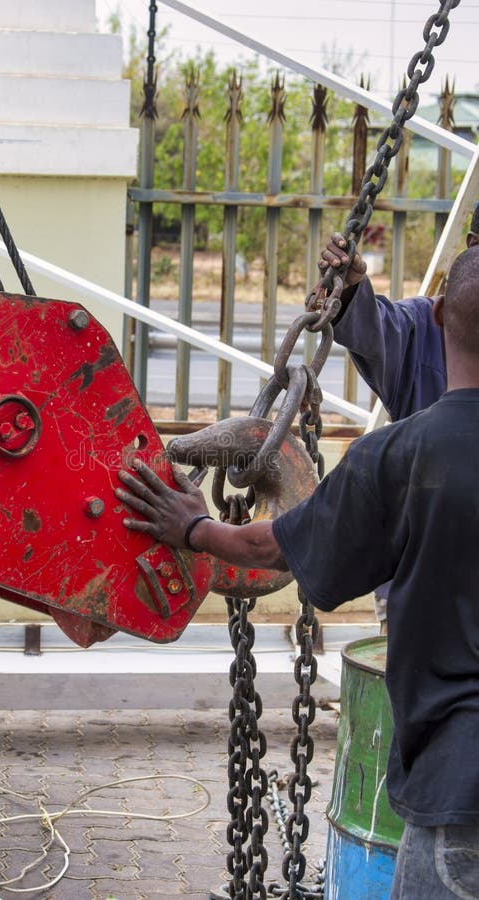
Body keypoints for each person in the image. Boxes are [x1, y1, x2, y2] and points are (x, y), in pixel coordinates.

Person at [114, 245, 479, 900]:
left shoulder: (396, 458)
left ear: (435, 314)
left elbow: (272, 548)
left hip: (459, 794)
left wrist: (193, 527)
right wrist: (350, 299)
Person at [318, 207, 479, 629]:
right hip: (421, 595)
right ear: (471, 252)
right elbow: (378, 329)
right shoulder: (425, 329)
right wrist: (350, 289)